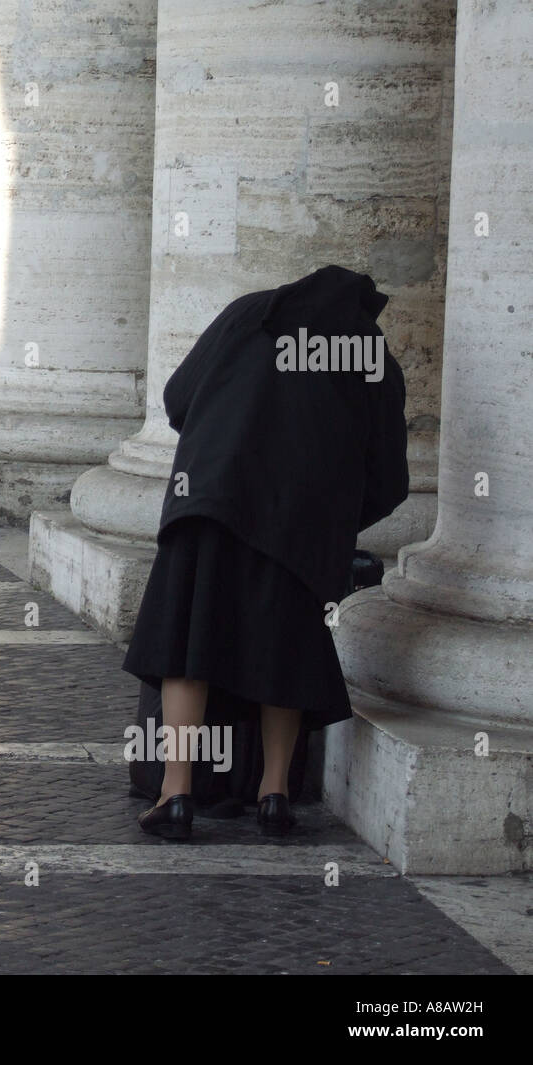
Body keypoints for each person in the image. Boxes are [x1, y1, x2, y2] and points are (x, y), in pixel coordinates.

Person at [122, 265, 410, 840]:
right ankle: (275, 794)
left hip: (209, 497)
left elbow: (178, 397)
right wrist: (336, 519)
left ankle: (175, 794)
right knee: (287, 651)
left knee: (188, 645)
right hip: (300, 521)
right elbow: (390, 477)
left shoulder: (250, 313)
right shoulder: (367, 350)